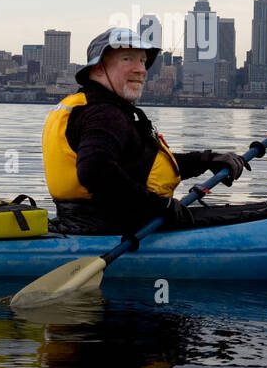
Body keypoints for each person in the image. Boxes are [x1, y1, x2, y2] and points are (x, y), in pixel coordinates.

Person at [42, 27, 250, 235]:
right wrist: (161, 206)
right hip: (117, 229)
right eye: (127, 59)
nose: (140, 69)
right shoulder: (104, 114)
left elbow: (143, 166)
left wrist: (207, 160)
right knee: (263, 215)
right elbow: (95, 172)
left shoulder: (89, 107)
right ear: (97, 69)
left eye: (142, 61)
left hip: (81, 225)